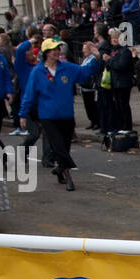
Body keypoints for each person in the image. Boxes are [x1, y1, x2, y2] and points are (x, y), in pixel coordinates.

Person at [19, 37, 101, 191]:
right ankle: (68, 178)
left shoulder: (67, 67)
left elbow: (85, 72)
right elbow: (29, 95)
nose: (57, 52)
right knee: (58, 147)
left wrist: (96, 56)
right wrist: (23, 114)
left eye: (58, 49)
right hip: (48, 117)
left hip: (66, 115)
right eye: (53, 50)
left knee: (64, 147)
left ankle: (59, 170)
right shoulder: (37, 72)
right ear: (46, 53)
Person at [102, 27, 134, 132]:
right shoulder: (113, 50)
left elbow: (120, 65)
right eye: (112, 37)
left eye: (116, 37)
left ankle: (126, 126)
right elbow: (109, 66)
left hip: (123, 82)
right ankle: (120, 125)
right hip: (115, 82)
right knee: (118, 105)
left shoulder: (124, 51)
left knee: (124, 105)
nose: (114, 39)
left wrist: (109, 60)